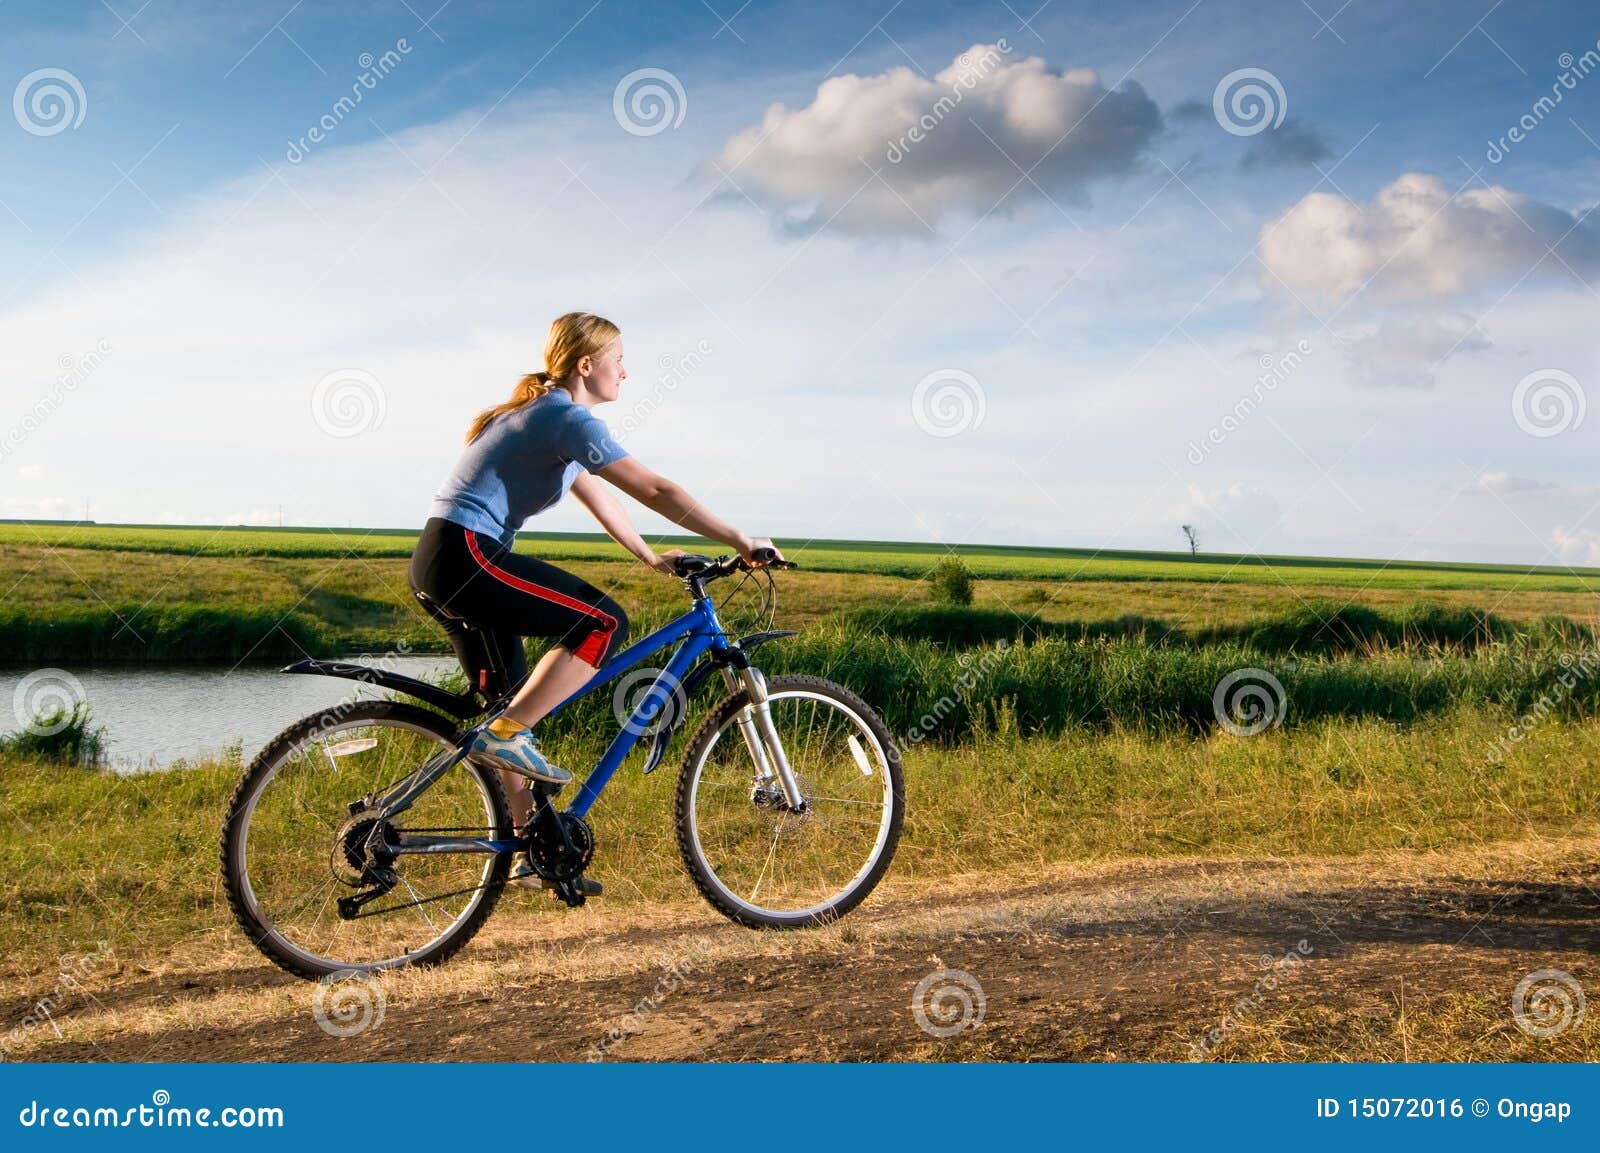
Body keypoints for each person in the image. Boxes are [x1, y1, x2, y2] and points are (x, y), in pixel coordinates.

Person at [407, 311, 783, 862]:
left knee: (509, 712)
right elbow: (656, 489)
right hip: (466, 555)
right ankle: (509, 734)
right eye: (620, 360)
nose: (626, 373)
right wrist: (739, 537)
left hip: (441, 561)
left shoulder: (544, 416)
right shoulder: (565, 417)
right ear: (587, 364)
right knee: (603, 621)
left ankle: (528, 852)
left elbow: (601, 497)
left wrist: (651, 557)